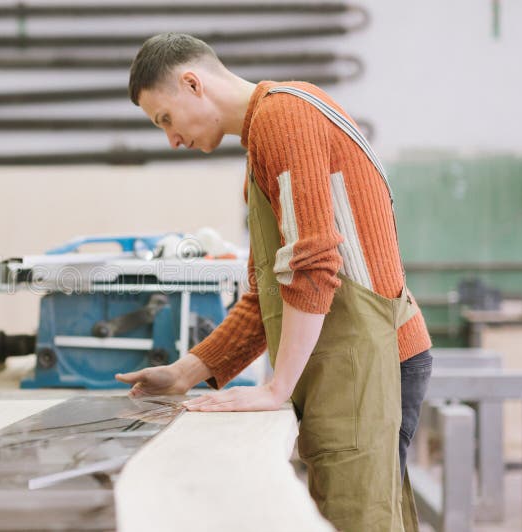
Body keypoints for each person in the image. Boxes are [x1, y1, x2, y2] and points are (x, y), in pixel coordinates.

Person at [115, 33, 432, 531]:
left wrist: (276, 387)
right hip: (348, 361)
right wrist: (185, 373)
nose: (172, 139)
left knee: (359, 516)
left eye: (166, 119)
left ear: (193, 84)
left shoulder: (284, 119)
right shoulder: (265, 139)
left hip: (374, 358)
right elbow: (267, 297)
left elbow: (312, 266)